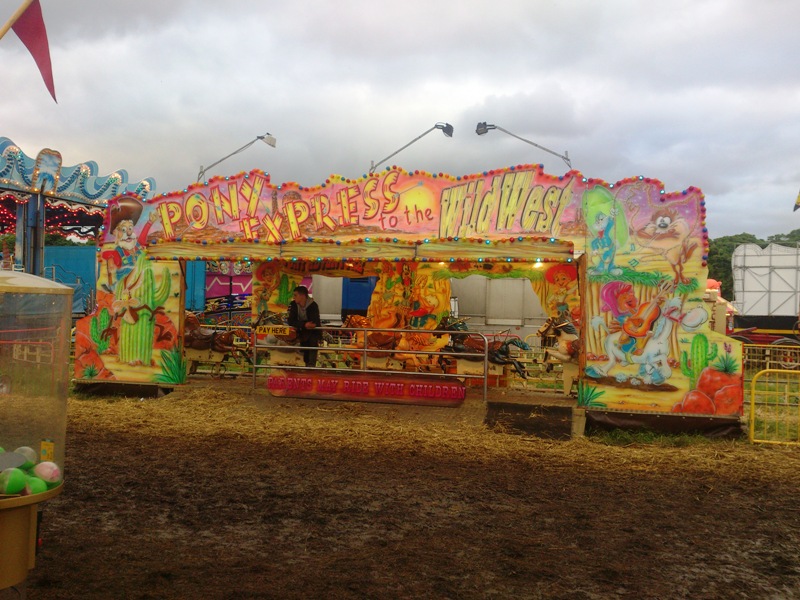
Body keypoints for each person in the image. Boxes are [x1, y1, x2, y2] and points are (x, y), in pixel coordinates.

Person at [287, 285, 322, 367]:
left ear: (302, 295)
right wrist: (304, 324)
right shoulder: (293, 305)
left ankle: (311, 366)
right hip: (301, 332)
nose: (294, 297)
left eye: (295, 295)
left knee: (312, 344)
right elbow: (291, 320)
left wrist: (300, 324)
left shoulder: (313, 305)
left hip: (311, 334)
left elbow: (314, 322)